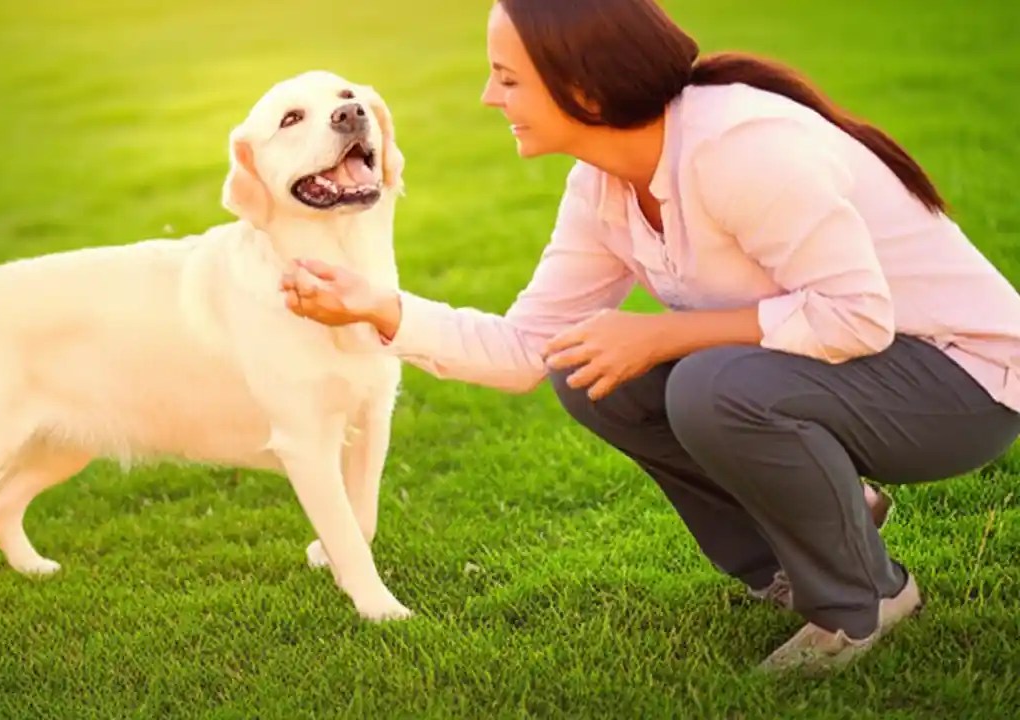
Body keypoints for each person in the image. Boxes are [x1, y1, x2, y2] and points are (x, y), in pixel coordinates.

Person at [278, 0, 1020, 673]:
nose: (488, 97)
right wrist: (379, 307)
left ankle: (860, 601)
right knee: (589, 367)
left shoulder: (738, 150)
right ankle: (794, 555)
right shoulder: (604, 184)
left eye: (507, 79)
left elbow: (857, 315)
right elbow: (530, 348)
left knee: (708, 385)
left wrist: (667, 334)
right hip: (862, 372)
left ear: (586, 91)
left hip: (964, 386)